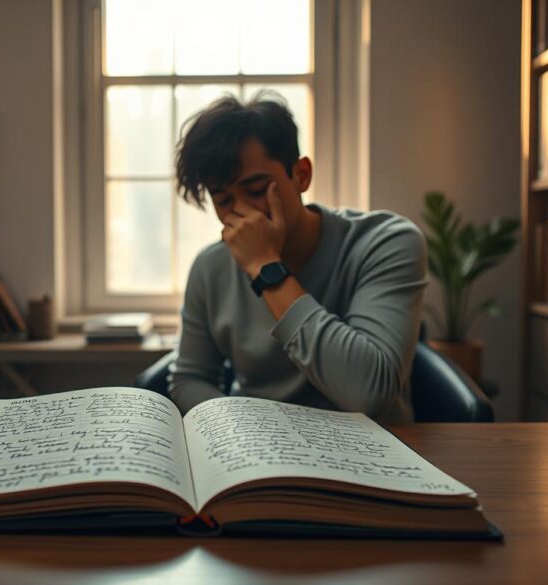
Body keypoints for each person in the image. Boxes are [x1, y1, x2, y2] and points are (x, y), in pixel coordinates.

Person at [170, 93, 426, 424]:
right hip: (259, 454)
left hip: (371, 453)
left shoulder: (386, 242)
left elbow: (369, 392)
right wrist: (234, 426)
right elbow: (189, 379)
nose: (244, 213)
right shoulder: (210, 268)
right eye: (223, 200)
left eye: (257, 190)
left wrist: (266, 268)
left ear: (301, 175)